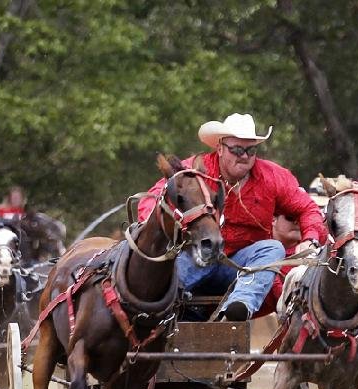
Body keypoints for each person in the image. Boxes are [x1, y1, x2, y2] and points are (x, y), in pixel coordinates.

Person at [137, 113, 327, 321]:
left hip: (239, 267)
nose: (244, 156)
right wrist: (160, 227)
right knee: (161, 278)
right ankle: (152, 310)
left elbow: (308, 209)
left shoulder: (273, 177)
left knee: (273, 249)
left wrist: (310, 239)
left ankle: (235, 310)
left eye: (250, 150)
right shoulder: (193, 170)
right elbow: (152, 200)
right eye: (237, 149)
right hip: (195, 258)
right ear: (220, 148)